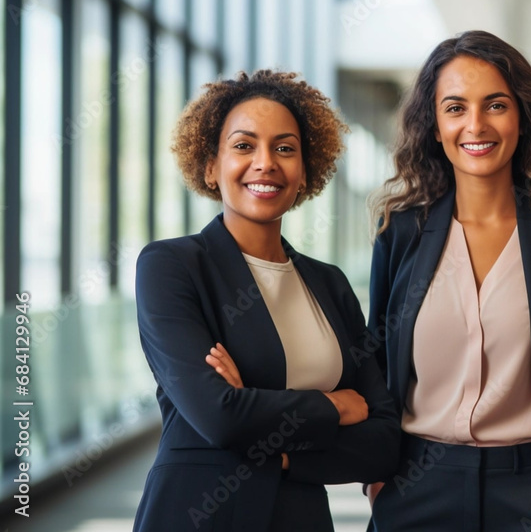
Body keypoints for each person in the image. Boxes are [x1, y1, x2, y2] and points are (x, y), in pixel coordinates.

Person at [363, 30, 531, 532]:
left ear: (521, 117)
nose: (476, 125)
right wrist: (378, 483)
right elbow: (374, 368)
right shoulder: (401, 232)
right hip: (416, 490)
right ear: (434, 125)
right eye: (456, 108)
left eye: (496, 105)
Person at [133, 70, 400, 532]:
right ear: (211, 166)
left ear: (305, 170)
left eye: (285, 149)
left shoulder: (329, 284)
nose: (265, 163)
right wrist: (334, 407)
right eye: (243, 146)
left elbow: (383, 442)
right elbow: (221, 417)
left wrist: (279, 449)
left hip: (302, 517)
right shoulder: (171, 266)